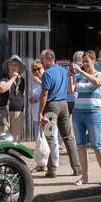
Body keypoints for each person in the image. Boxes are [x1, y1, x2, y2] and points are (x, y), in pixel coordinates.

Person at [36, 48, 81, 180]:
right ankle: (77, 168)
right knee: (68, 137)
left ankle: (51, 170)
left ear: (50, 59)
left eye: (42, 59)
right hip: (64, 105)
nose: (41, 62)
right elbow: (69, 91)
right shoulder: (63, 70)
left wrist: (40, 113)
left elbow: (44, 94)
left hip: (51, 107)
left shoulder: (47, 74)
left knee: (50, 137)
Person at [70, 49, 101, 185]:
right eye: (83, 62)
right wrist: (70, 76)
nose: (84, 64)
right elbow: (70, 90)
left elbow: (97, 82)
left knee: (97, 146)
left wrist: (81, 72)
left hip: (93, 113)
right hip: (78, 113)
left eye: (87, 61)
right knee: (80, 146)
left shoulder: (100, 74)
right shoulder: (78, 76)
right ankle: (84, 177)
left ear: (94, 61)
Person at [0, 56, 25, 137]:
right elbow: (2, 89)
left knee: (15, 137)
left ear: (19, 67)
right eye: (12, 65)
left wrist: (22, 109)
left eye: (16, 65)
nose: (14, 67)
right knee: (3, 136)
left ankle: (13, 150)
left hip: (18, 111)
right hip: (4, 110)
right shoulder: (4, 77)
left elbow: (23, 95)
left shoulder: (22, 80)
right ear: (8, 66)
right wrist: (13, 77)